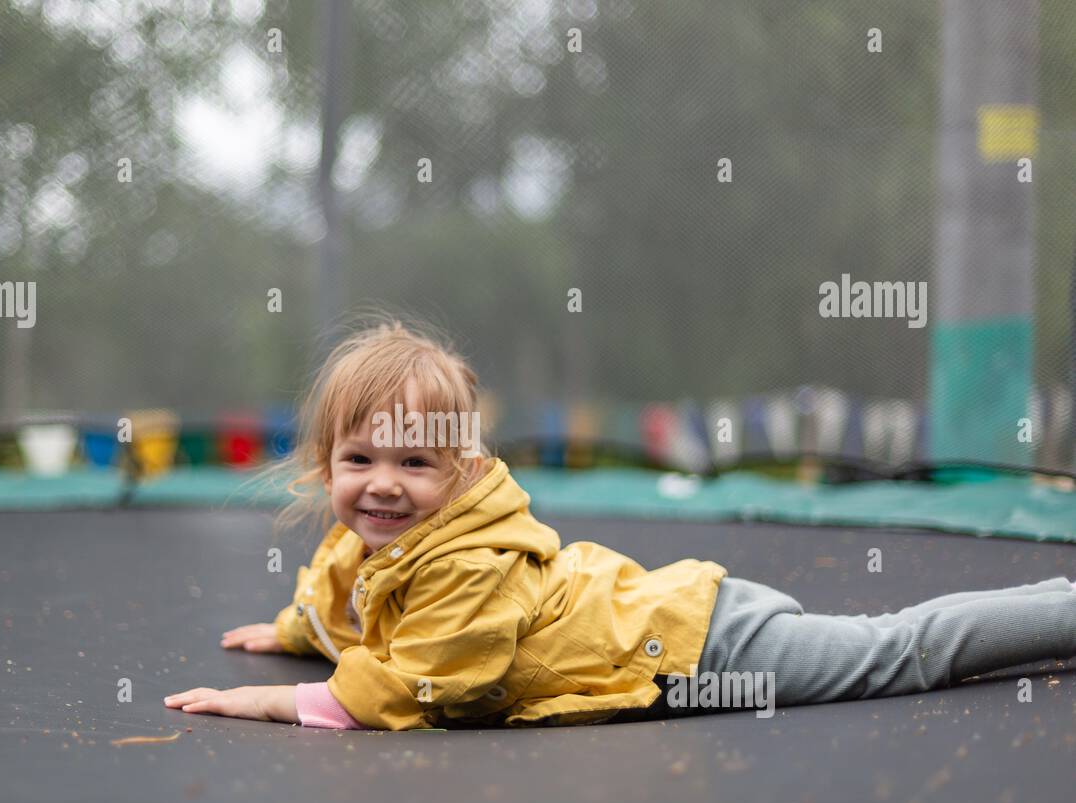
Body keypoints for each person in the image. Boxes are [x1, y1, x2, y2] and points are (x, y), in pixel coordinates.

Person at [165, 313, 1076, 730]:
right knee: (893, 644)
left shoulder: (464, 563)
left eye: (415, 464)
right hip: (670, 629)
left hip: (705, 651)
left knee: (902, 652)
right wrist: (292, 629)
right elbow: (345, 600)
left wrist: (277, 699)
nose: (384, 488)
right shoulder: (365, 538)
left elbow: (421, 687)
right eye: (360, 462)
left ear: (464, 467)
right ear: (328, 466)